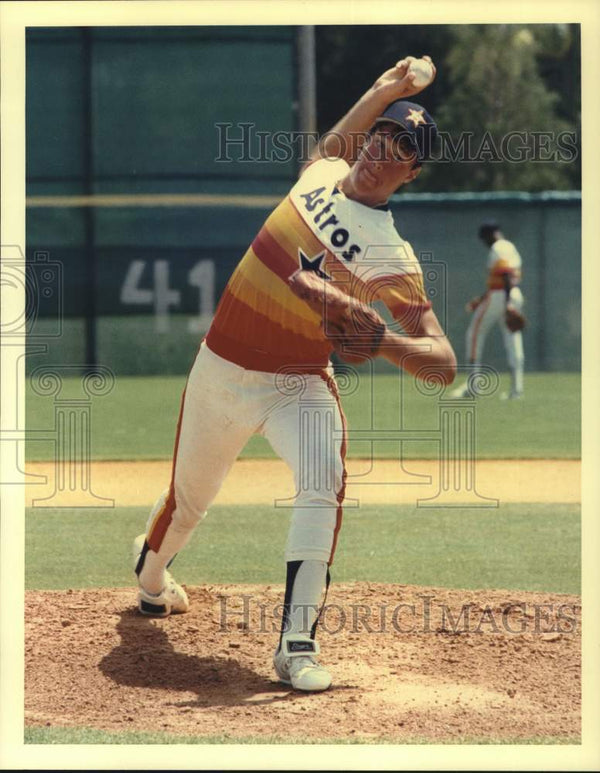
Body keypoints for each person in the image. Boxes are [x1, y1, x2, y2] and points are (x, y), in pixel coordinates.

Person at [131, 56, 456, 692]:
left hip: (297, 381)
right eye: (382, 135)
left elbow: (442, 363)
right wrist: (384, 89)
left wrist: (383, 339)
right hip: (221, 368)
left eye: (400, 149)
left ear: (412, 172)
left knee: (324, 478)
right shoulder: (326, 171)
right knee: (188, 504)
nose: (381, 150)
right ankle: (149, 577)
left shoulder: (393, 255)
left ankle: (295, 646)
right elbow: (334, 142)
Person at [450, 222, 525, 400]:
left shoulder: (499, 247)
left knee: (474, 335)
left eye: (484, 238)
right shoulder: (509, 246)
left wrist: (506, 303)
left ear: (490, 234)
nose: (484, 242)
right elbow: (504, 277)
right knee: (513, 340)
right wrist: (483, 299)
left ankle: (473, 386)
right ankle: (517, 389)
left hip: (501, 296)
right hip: (511, 294)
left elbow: (505, 274)